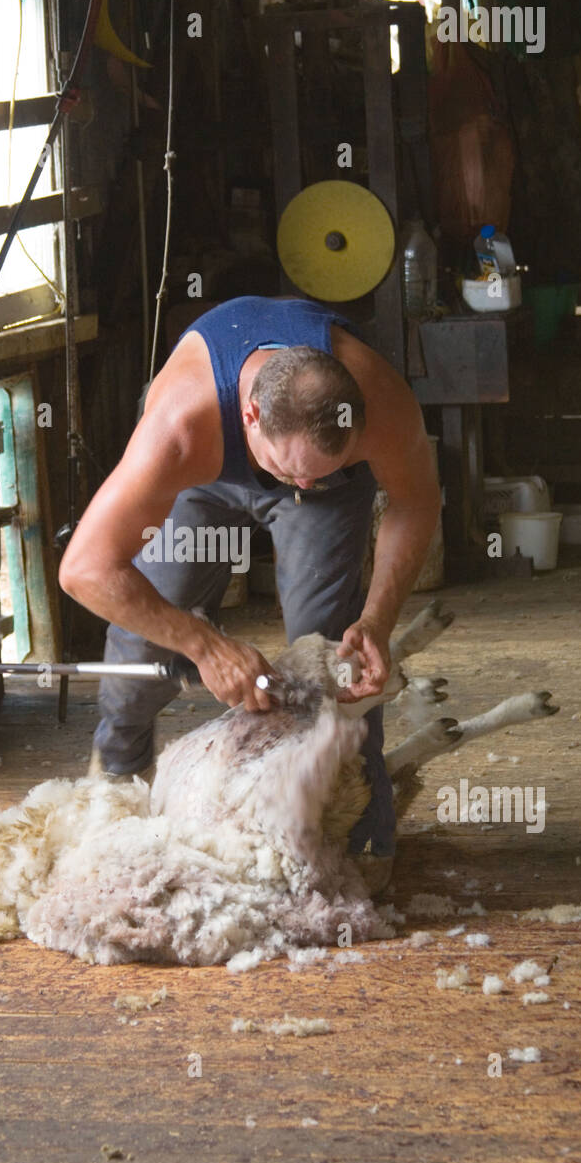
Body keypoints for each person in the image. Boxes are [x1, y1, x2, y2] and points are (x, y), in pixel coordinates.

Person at [59, 295, 442, 894]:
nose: (301, 483)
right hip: (205, 477)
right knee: (143, 643)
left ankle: (358, 828)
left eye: (320, 467)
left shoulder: (382, 404)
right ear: (253, 415)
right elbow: (85, 569)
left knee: (332, 656)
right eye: (292, 471)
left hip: (325, 496)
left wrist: (377, 618)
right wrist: (203, 644)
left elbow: (416, 501)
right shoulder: (179, 426)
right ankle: (118, 773)